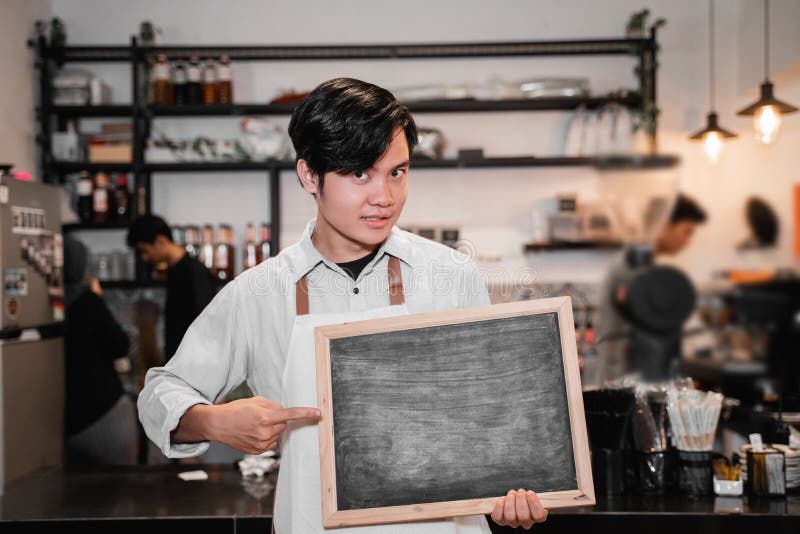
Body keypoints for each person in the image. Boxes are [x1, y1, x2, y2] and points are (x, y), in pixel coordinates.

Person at [138, 78, 548, 533]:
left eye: (397, 172)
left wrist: (517, 484)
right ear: (309, 175)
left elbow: (493, 412)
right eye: (360, 174)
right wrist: (210, 421)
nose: (384, 197)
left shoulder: (451, 275)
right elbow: (160, 393)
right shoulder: (259, 292)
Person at [597, 193, 708, 382]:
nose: (688, 242)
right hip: (627, 379)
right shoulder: (632, 268)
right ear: (664, 226)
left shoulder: (639, 266)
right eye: (687, 231)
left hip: (633, 374)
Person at [63, 236, 137, 465]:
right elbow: (118, 346)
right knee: (119, 490)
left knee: (76, 494)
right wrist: (96, 298)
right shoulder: (85, 301)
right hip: (102, 412)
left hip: (62, 415)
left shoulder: (47, 303)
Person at [127, 214, 217, 362]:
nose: (144, 258)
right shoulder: (174, 270)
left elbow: (208, 323)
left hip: (193, 367)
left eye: (144, 250)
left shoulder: (194, 271)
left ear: (161, 241)